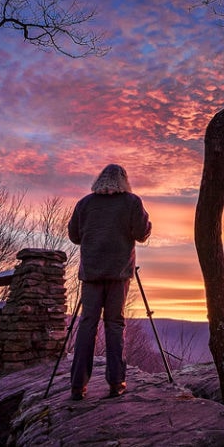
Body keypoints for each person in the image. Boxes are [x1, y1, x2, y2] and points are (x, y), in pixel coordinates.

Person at [67, 164, 152, 400]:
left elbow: (74, 236)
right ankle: (116, 382)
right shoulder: (131, 202)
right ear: (124, 181)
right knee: (114, 324)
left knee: (87, 325)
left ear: (100, 180)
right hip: (118, 273)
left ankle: (77, 385)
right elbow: (141, 233)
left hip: (92, 274)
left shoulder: (84, 204)